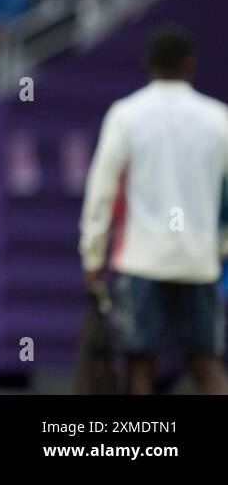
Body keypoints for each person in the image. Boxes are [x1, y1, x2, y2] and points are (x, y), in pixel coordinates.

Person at [80, 25, 228, 394]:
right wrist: (222, 245)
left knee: (140, 362)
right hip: (199, 259)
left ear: (147, 65)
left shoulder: (126, 115)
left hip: (142, 259)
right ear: (191, 65)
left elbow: (101, 192)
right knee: (206, 361)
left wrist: (92, 257)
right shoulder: (218, 118)